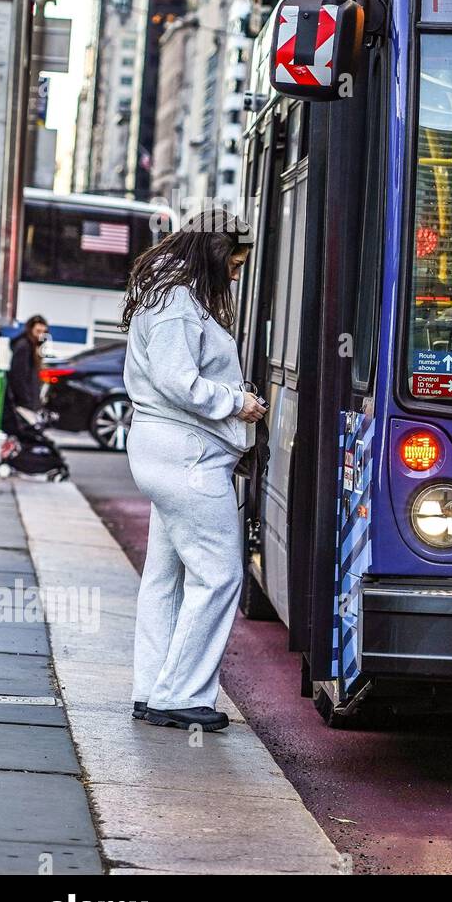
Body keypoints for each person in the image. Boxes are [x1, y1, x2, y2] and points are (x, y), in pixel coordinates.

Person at [120, 209, 267, 732]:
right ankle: (179, 694)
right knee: (220, 574)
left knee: (166, 577)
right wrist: (239, 402)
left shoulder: (163, 296)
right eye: (233, 263)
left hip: (165, 454)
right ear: (212, 253)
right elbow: (180, 382)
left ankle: (152, 688)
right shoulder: (181, 306)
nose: (236, 273)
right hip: (189, 457)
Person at [2, 315, 49, 430]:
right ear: (30, 329)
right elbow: (19, 376)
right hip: (23, 402)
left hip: (28, 399)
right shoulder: (24, 347)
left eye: (43, 332)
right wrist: (26, 400)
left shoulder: (33, 346)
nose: (40, 335)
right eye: (38, 331)